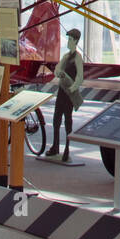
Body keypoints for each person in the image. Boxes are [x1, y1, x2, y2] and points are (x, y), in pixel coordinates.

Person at [44, 28, 84, 162]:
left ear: (76, 41)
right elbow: (57, 68)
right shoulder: (66, 56)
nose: (68, 42)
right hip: (62, 90)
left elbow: (80, 77)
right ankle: (55, 146)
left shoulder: (77, 58)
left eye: (71, 39)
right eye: (68, 39)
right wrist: (58, 73)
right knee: (56, 119)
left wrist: (73, 88)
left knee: (68, 120)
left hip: (69, 93)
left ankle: (67, 148)